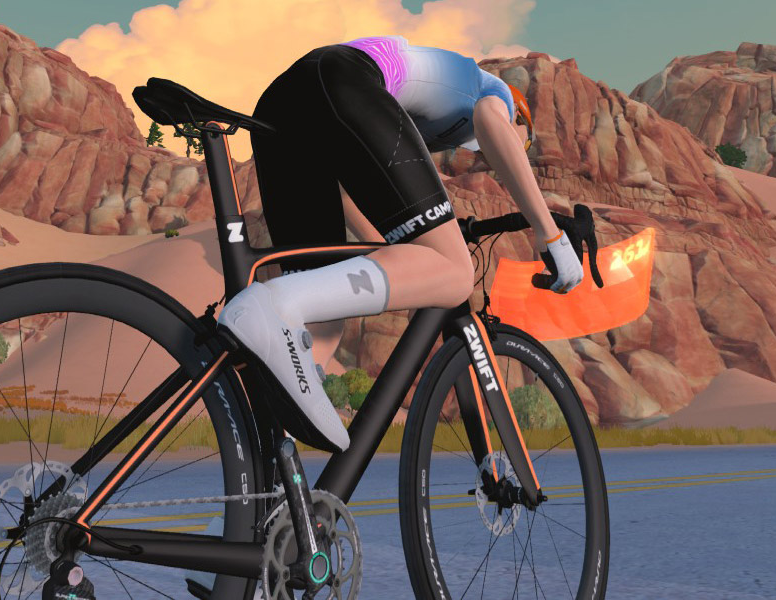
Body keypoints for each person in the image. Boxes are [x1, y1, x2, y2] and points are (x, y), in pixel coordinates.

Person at [217, 35, 584, 452]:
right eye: (524, 142)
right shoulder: (494, 94)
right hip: (343, 78)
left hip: (286, 102)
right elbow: (491, 121)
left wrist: (395, 254)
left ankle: (268, 477)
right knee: (456, 273)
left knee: (322, 328)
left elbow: (348, 185)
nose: (516, 151)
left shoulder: (421, 119)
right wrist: (549, 233)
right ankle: (277, 303)